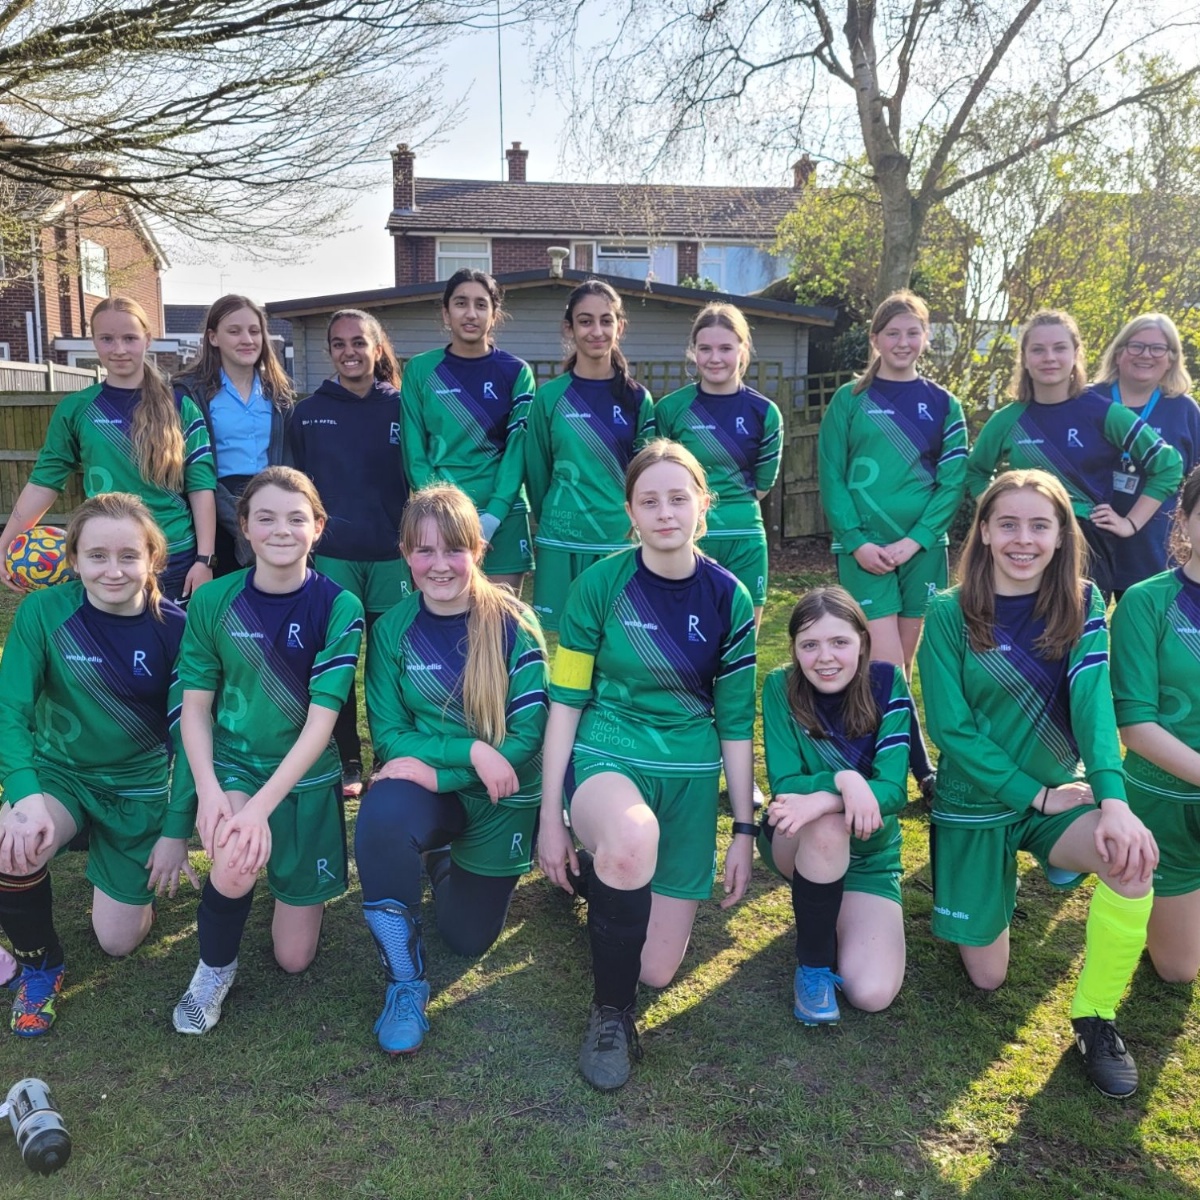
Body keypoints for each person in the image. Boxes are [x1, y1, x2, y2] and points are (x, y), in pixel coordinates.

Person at [917, 468, 1159, 1099]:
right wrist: (1034, 793)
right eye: (1008, 524)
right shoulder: (947, 612)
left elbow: (1095, 709)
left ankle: (1095, 1017)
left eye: (1038, 526)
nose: (1023, 540)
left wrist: (1114, 802)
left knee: (1130, 861)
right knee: (988, 978)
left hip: (1057, 798)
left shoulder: (1083, 603)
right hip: (977, 802)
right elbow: (951, 728)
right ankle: (980, 872)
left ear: (1059, 535)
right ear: (984, 532)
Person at [538, 440, 757, 1091]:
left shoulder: (730, 598)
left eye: (678, 498)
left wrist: (744, 830)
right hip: (609, 755)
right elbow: (566, 703)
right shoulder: (598, 586)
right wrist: (550, 817)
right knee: (632, 841)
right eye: (649, 501)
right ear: (630, 513)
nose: (665, 513)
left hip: (688, 779)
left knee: (656, 968)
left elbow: (735, 723)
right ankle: (611, 1016)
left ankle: (601, 880)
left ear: (702, 505)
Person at [170, 467, 364, 1035]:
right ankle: (214, 969)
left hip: (304, 777)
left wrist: (261, 809)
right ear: (245, 528)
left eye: (296, 518)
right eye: (266, 518)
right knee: (233, 857)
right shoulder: (213, 600)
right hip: (236, 765)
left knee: (293, 958)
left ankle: (286, 884)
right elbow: (195, 709)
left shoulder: (340, 606)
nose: (282, 530)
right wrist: (212, 792)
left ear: (318, 527)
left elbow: (321, 725)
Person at [355, 484, 548, 1054]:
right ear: (405, 554)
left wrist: (447, 770)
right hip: (437, 786)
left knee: (465, 938)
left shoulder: (515, 622)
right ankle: (405, 983)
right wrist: (470, 752)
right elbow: (390, 736)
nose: (439, 565)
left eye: (454, 549)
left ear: (479, 550)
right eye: (424, 550)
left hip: (503, 795)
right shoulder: (391, 629)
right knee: (383, 814)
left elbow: (528, 737)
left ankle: (442, 860)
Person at [0, 493, 195, 1036]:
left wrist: (176, 831)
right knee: (13, 846)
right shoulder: (43, 612)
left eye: (129, 556)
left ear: (153, 558)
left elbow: (192, 738)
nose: (113, 570)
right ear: (74, 559)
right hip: (60, 775)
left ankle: (112, 860)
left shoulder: (177, 628)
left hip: (136, 789)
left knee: (118, 942)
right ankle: (42, 966)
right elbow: (9, 711)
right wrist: (24, 795)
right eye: (97, 556)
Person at [817, 290, 965, 796]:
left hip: (922, 553)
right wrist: (856, 540)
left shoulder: (944, 404)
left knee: (901, 667)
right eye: (892, 333)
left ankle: (887, 758)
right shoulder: (849, 400)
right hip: (864, 554)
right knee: (886, 666)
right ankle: (918, 769)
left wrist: (915, 541)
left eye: (912, 332)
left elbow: (952, 483)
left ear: (925, 337)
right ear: (875, 339)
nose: (903, 342)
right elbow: (832, 476)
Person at [0, 296, 217, 604]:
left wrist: (205, 559)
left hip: (174, 554)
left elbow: (201, 485)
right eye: (107, 339)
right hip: (105, 556)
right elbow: (43, 482)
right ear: (94, 342)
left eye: (129, 338)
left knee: (174, 635)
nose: (119, 349)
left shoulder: (181, 406)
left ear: (147, 339)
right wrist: (5, 542)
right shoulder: (76, 408)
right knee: (113, 635)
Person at [759, 586, 910, 1025]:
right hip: (797, 839)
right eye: (809, 645)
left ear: (862, 642)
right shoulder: (780, 686)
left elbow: (894, 790)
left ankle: (830, 908)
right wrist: (845, 780)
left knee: (871, 993)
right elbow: (785, 786)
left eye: (839, 642)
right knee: (827, 827)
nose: (825, 657)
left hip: (870, 855)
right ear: (794, 649)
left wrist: (830, 795)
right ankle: (813, 965)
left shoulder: (888, 682)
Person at [965, 309, 1182, 599]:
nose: (1049, 357)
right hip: (1025, 541)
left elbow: (1169, 465)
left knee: (1079, 625)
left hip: (1086, 543)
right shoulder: (1007, 419)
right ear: (1025, 358)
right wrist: (1000, 510)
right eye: (1038, 350)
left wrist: (1130, 523)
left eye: (1059, 348)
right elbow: (975, 473)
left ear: (1076, 354)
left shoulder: (1103, 412)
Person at [290, 309, 408, 798]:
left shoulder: (403, 407)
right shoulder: (306, 413)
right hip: (334, 556)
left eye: (359, 342)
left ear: (377, 349)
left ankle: (390, 754)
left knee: (389, 663)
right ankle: (347, 759)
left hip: (393, 556)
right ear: (329, 352)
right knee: (337, 660)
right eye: (339, 344)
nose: (349, 351)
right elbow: (295, 488)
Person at [524, 279, 656, 632]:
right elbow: (537, 474)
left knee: (617, 640)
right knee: (561, 641)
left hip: (618, 539)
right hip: (561, 538)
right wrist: (557, 512)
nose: (596, 331)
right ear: (569, 328)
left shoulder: (638, 399)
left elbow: (645, 477)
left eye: (606, 320)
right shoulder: (549, 397)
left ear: (620, 327)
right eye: (585, 321)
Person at [1111, 463, 1200, 983]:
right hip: (1165, 805)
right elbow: (1136, 727)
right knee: (1179, 971)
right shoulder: (1146, 601)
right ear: (1183, 519)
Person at [400, 270, 536, 593]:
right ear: (446, 313)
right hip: (439, 516)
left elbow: (518, 451)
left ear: (494, 314)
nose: (471, 313)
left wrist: (493, 517)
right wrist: (442, 512)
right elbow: (414, 452)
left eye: (481, 304)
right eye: (461, 303)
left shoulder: (517, 372)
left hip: (502, 517)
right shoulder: (420, 370)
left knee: (501, 620)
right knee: (441, 617)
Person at [656, 303, 782, 631]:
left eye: (725, 348)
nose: (715, 358)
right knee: (685, 638)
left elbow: (762, 486)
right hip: (686, 537)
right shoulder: (670, 409)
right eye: (705, 349)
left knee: (742, 640)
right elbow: (657, 478)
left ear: (743, 349)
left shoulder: (765, 412)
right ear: (693, 352)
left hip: (745, 539)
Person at [174, 294, 295, 578]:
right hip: (213, 505)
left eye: (254, 331)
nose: (247, 340)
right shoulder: (189, 393)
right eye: (234, 331)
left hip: (268, 500)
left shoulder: (279, 394)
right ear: (213, 338)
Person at [1093, 313, 1200, 597]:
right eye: (1136, 346)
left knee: (1149, 622)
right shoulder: (1088, 400)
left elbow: (1196, 483)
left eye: (1157, 348)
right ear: (1119, 352)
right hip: (1090, 542)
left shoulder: (1184, 410)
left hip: (1155, 548)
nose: (1146, 355)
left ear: (1171, 358)